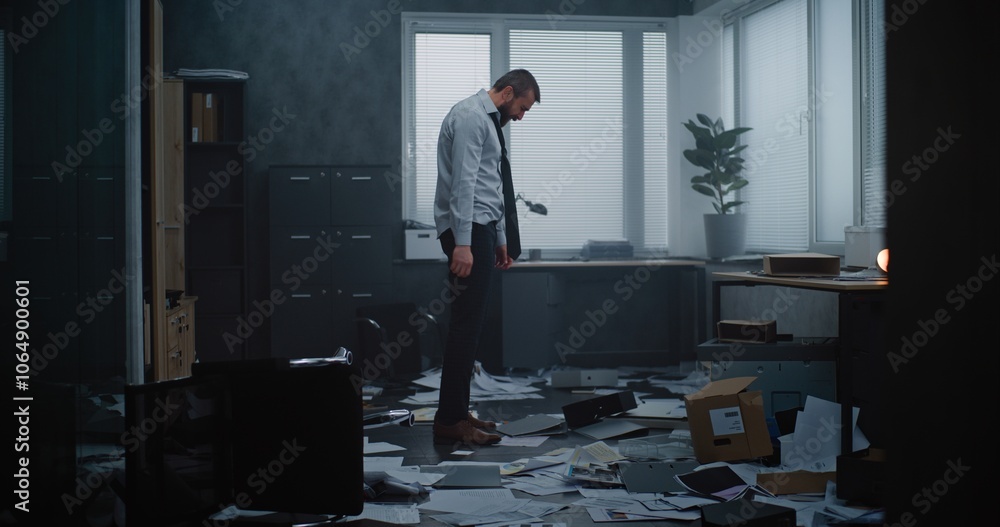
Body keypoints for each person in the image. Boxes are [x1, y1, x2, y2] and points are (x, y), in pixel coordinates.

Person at [432, 69, 540, 445]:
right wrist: (463, 242)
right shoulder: (470, 117)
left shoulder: (488, 122)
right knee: (465, 326)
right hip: (467, 229)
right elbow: (463, 182)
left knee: (472, 326)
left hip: (480, 227)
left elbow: (488, 184)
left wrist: (498, 238)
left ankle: (458, 414)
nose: (522, 117)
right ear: (508, 92)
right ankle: (449, 421)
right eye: (522, 108)